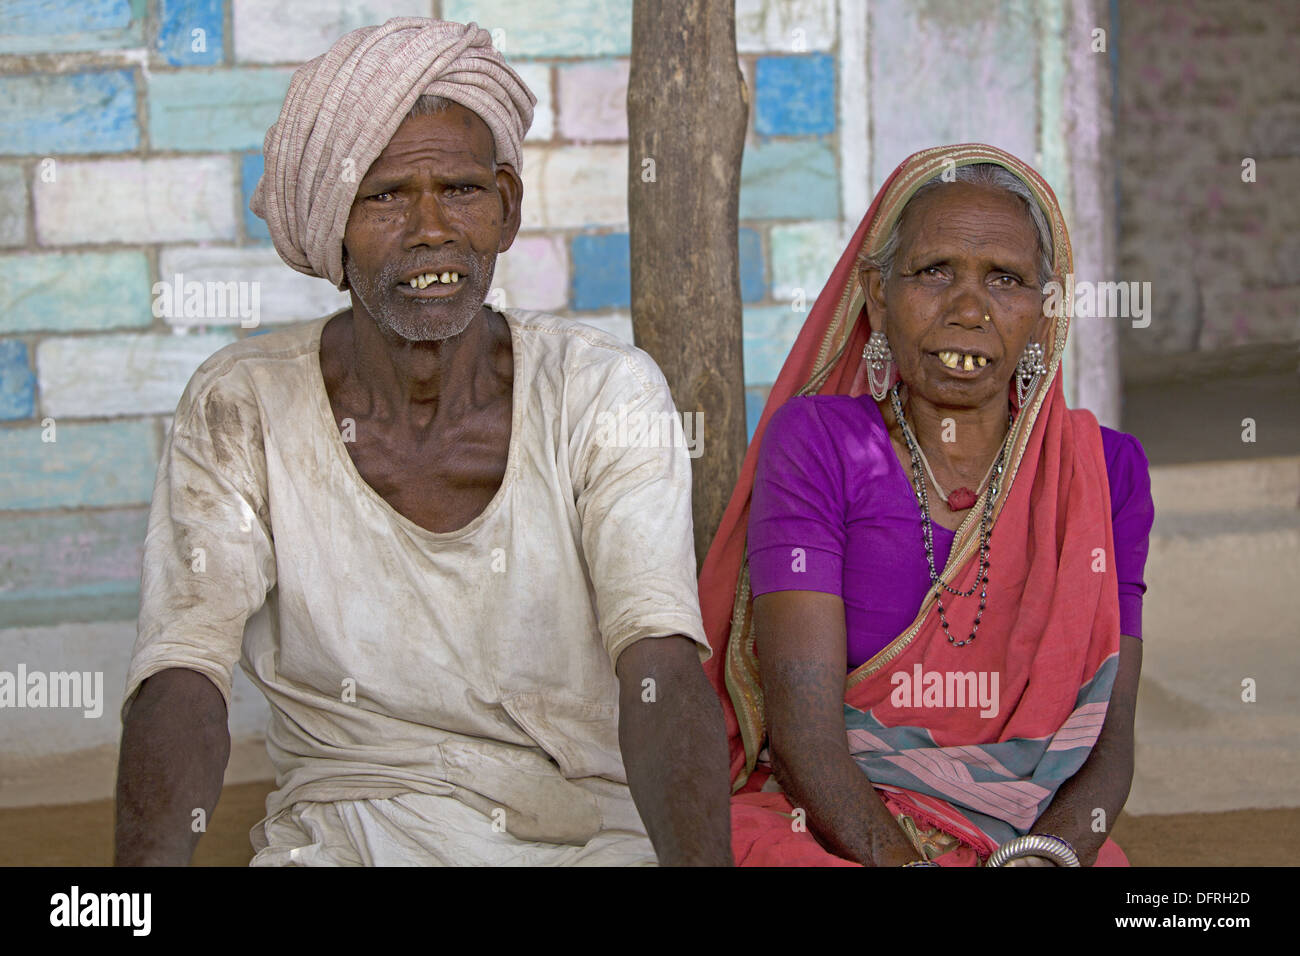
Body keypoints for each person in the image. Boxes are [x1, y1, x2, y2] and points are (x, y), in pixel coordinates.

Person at [114, 18, 732, 867]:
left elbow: (658, 661)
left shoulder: (602, 394)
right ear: (331, 223)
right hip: (349, 829)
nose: (431, 228)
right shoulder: (242, 405)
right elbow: (183, 680)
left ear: (507, 210)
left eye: (462, 191)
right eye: (386, 196)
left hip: (582, 828)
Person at [698, 143, 1153, 867]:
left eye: (1005, 279)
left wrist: (1046, 859)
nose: (969, 308)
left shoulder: (1104, 470)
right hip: (834, 829)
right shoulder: (819, 444)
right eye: (935, 271)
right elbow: (803, 737)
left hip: (1020, 840)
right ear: (877, 296)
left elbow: (1111, 741)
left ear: (1043, 313)